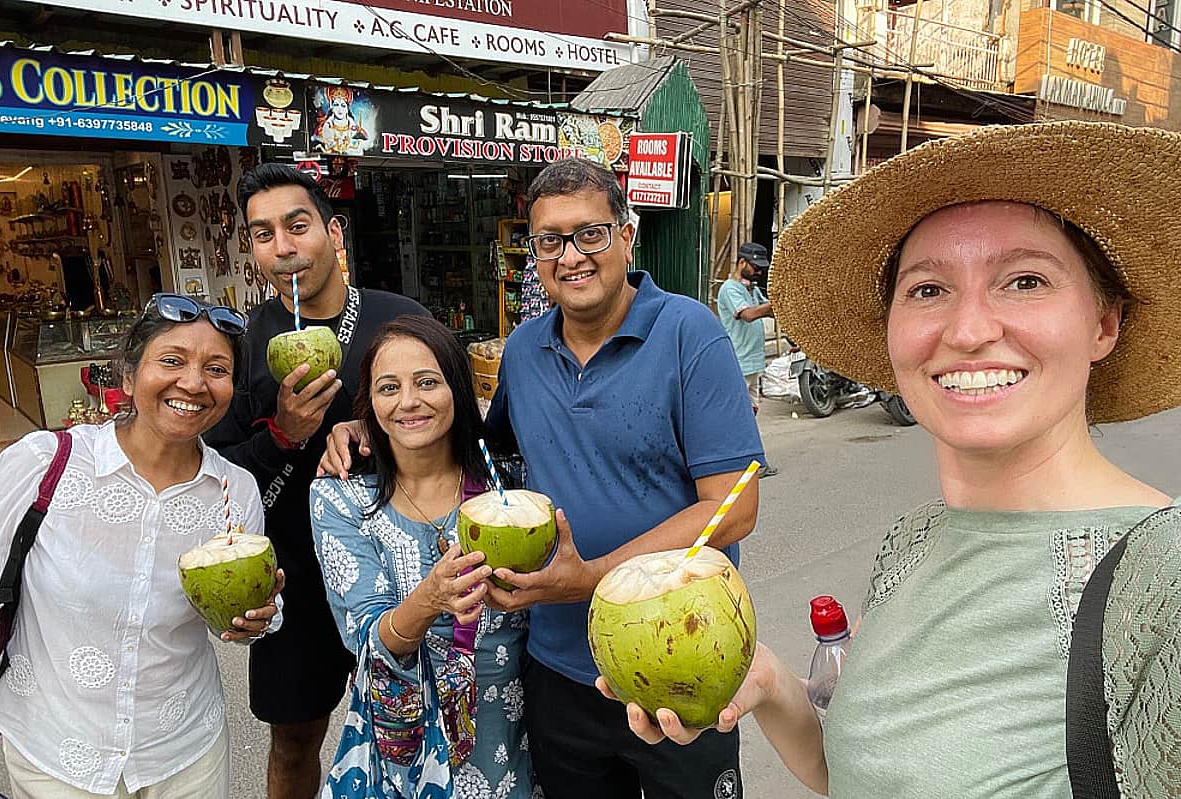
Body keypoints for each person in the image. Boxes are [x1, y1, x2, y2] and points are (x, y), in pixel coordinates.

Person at [600, 122, 1181, 798]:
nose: (968, 330)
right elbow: (854, 774)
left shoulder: (1166, 586)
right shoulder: (912, 540)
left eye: (1025, 280)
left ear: (1105, 324)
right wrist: (765, 680)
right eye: (928, 289)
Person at [320, 158, 765, 798]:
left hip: (678, 654)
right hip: (556, 669)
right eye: (550, 241)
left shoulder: (689, 333)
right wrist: (366, 428)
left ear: (626, 235)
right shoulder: (525, 349)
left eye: (590, 234)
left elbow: (734, 506)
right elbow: (480, 448)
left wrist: (593, 575)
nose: (571, 256)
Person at [0, 294, 283, 798]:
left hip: (183, 751)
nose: (193, 383)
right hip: (57, 754)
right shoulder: (44, 464)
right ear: (128, 375)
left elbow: (236, 619)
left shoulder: (235, 492)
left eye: (216, 369)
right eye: (172, 360)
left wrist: (258, 618)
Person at [205, 163, 428, 799]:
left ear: (333, 233)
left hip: (398, 570)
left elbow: (452, 431)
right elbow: (219, 476)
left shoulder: (400, 322)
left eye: (297, 226)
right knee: (295, 739)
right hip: (294, 578)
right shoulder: (244, 343)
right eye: (263, 233)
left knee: (417, 730)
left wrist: (375, 430)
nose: (283, 247)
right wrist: (281, 434)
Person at [310, 315, 536, 798]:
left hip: (512, 745)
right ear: (370, 402)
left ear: (456, 388)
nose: (408, 401)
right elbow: (367, 641)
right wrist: (429, 599)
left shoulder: (512, 490)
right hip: (405, 753)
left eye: (427, 382)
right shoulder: (340, 500)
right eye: (388, 388)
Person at [718, 242, 779, 477]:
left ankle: (755, 460)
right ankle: (739, 462)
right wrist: (773, 305)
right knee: (739, 416)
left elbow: (765, 308)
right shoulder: (730, 289)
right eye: (755, 267)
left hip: (754, 363)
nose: (759, 272)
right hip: (739, 363)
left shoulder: (752, 289)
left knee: (750, 415)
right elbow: (749, 314)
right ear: (742, 262)